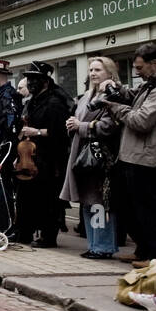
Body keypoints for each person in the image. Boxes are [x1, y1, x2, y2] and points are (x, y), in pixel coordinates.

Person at [100, 43, 156, 267]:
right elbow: (133, 97)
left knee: (149, 209)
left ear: (155, 64)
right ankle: (143, 249)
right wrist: (116, 89)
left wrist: (114, 107)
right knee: (124, 205)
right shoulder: (151, 85)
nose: (136, 71)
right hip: (130, 154)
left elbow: (141, 121)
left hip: (146, 156)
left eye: (139, 67)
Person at [61, 57, 123, 258]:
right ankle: (93, 243)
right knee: (88, 202)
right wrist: (73, 123)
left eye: (98, 69)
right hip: (81, 154)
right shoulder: (86, 95)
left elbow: (110, 126)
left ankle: (103, 246)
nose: (93, 73)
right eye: (91, 70)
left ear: (109, 72)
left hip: (101, 156)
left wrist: (82, 126)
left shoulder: (113, 94)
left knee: (99, 202)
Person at [12, 61, 72, 247]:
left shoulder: (54, 103)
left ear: (45, 81)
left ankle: (48, 236)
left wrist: (36, 132)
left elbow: (60, 133)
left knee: (47, 199)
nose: (30, 83)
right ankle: (24, 233)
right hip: (29, 158)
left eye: (34, 79)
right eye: (28, 79)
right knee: (25, 198)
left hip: (48, 160)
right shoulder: (32, 103)